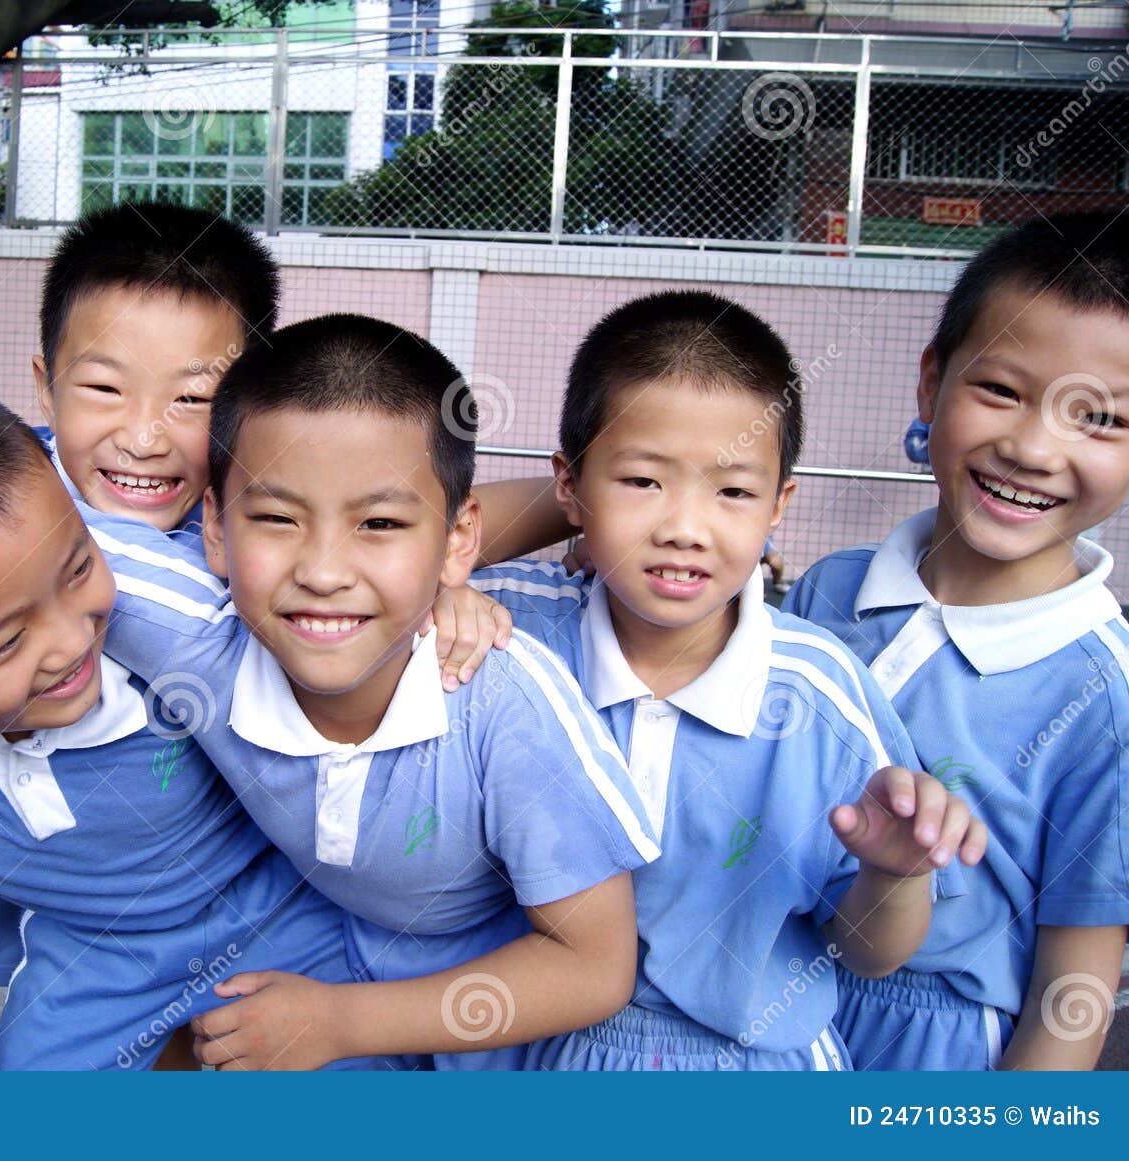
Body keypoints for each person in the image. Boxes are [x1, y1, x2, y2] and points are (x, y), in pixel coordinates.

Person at [80, 314, 660, 1070]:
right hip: (310, 931)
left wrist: (340, 1023)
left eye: (379, 522)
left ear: (458, 541)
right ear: (215, 530)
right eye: (278, 518)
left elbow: (594, 965)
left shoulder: (504, 708)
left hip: (485, 1010)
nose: (323, 570)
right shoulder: (192, 629)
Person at [0, 378, 378, 1069]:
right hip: (94, 961)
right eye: (2, 642)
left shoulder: (179, 633)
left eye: (80, 566)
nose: (69, 641)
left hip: (282, 916)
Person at [473, 290, 986, 1070]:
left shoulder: (821, 693)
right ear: (568, 486)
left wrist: (892, 872)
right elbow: (401, 545)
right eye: (643, 481)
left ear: (779, 504)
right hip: (530, 1042)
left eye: (734, 491)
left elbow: (868, 953)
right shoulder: (506, 632)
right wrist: (444, 590)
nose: (686, 524)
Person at [785, 212, 1129, 1070]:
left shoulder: (1108, 696)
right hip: (762, 1008)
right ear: (931, 382)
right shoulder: (830, 589)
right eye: (1002, 391)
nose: (1031, 446)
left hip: (927, 1056)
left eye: (1099, 419)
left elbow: (1071, 1000)